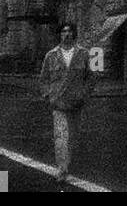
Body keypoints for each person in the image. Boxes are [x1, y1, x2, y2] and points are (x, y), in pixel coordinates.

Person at [39, 22, 92, 183]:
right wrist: (49, 95)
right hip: (59, 103)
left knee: (72, 137)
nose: (66, 34)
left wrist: (84, 94)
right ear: (60, 34)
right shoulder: (51, 55)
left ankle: (67, 163)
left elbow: (92, 76)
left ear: (74, 34)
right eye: (63, 31)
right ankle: (62, 169)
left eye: (69, 31)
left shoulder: (84, 53)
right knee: (61, 136)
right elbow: (44, 78)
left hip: (76, 102)